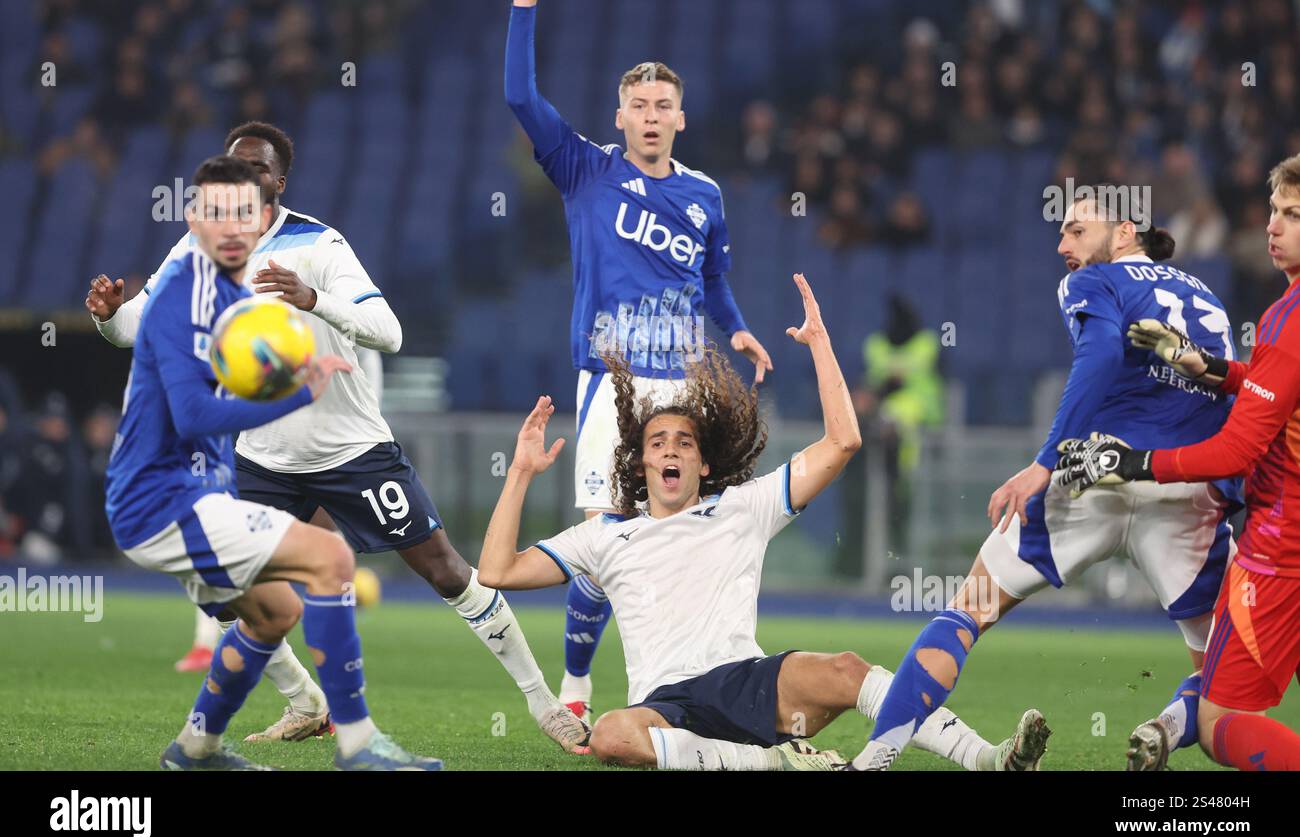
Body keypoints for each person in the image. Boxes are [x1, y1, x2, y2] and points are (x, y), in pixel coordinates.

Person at [86, 121, 587, 751]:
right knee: (220, 587)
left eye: (259, 168)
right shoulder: (199, 245)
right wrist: (110, 315)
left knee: (445, 570)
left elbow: (389, 331)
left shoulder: (318, 243)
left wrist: (312, 298)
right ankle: (306, 702)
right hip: (261, 457)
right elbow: (137, 326)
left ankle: (544, 704)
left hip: (350, 450)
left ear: (279, 182)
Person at [477, 274, 1046, 771]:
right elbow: (497, 571)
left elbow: (843, 442)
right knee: (611, 735)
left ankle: (990, 759)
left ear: (704, 463)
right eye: (658, 443)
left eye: (684, 443)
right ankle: (772, 761)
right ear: (641, 461)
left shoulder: (742, 506)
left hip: (749, 685)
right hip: (666, 705)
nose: (671, 450)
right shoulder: (606, 534)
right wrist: (520, 472)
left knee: (847, 669)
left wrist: (821, 346)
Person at [855, 195, 1239, 771]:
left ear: (1124, 232)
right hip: (1185, 491)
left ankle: (873, 759)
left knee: (968, 609)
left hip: (1094, 472)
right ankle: (1167, 726)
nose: (1063, 246)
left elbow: (1101, 354)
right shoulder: (1208, 298)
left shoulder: (1093, 281)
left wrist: (1043, 461)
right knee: (1219, 673)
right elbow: (1233, 398)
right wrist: (1227, 494)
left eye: (1077, 230)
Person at [506, 0, 772, 720]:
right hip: (612, 384)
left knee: (698, 533)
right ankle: (577, 687)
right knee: (606, 538)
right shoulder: (584, 169)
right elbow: (521, 98)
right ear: (618, 116)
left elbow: (712, 278)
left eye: (663, 106)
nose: (651, 117)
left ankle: (701, 671)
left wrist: (739, 328)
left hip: (686, 382)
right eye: (639, 106)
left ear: (680, 118)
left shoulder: (705, 195)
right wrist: (523, 3)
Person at [107, 154, 438, 769]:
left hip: (184, 495)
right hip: (159, 499)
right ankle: (359, 744)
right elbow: (194, 416)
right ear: (196, 221)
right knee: (331, 559)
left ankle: (196, 748)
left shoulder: (229, 298)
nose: (236, 226)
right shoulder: (182, 297)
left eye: (246, 212)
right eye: (220, 213)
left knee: (276, 612)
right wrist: (293, 395)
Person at [1059, 154, 1300, 770]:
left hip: (1283, 552)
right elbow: (1278, 387)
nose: (1272, 226)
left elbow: (1236, 450)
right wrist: (1210, 367)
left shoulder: (1288, 318)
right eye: (1274, 210)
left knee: (1221, 723)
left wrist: (1134, 463)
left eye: (1293, 215)